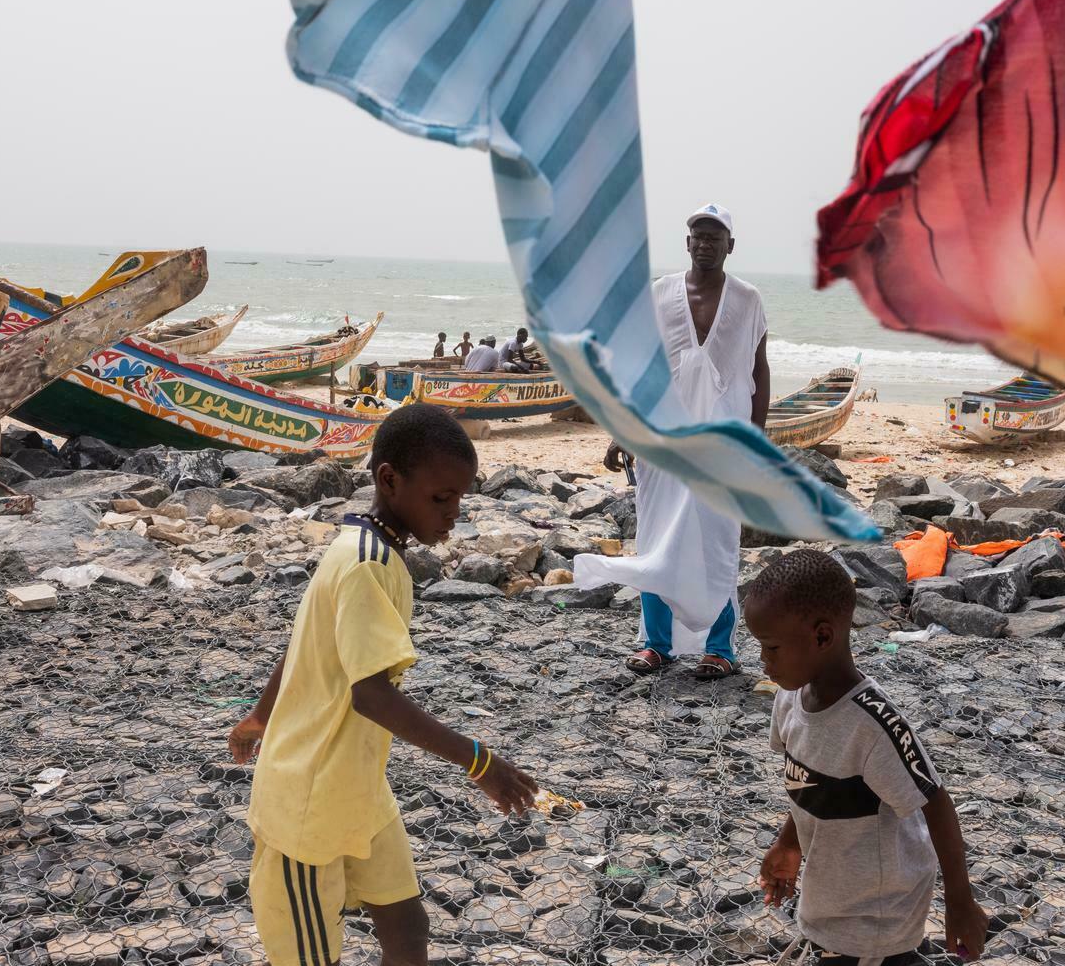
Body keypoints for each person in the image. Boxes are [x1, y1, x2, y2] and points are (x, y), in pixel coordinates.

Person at [228, 406, 539, 966]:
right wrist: (479, 762)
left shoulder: (370, 548)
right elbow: (370, 695)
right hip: (311, 801)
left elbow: (306, 641)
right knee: (309, 952)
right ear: (389, 479)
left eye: (461, 499)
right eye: (441, 498)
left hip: (359, 786)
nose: (454, 514)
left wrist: (258, 715)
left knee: (405, 921)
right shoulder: (365, 563)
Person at [745, 549, 988, 965]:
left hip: (876, 913)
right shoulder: (789, 699)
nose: (763, 661)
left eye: (771, 648)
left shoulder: (874, 725)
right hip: (830, 897)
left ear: (823, 636)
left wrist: (960, 903)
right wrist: (788, 844)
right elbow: (812, 786)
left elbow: (936, 802)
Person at [573, 203, 768, 680]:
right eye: (697, 236)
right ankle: (656, 644)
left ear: (730, 246)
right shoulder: (660, 295)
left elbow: (759, 370)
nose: (705, 243)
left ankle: (719, 648)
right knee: (657, 537)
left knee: (718, 542)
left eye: (714, 236)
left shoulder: (748, 299)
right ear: (687, 244)